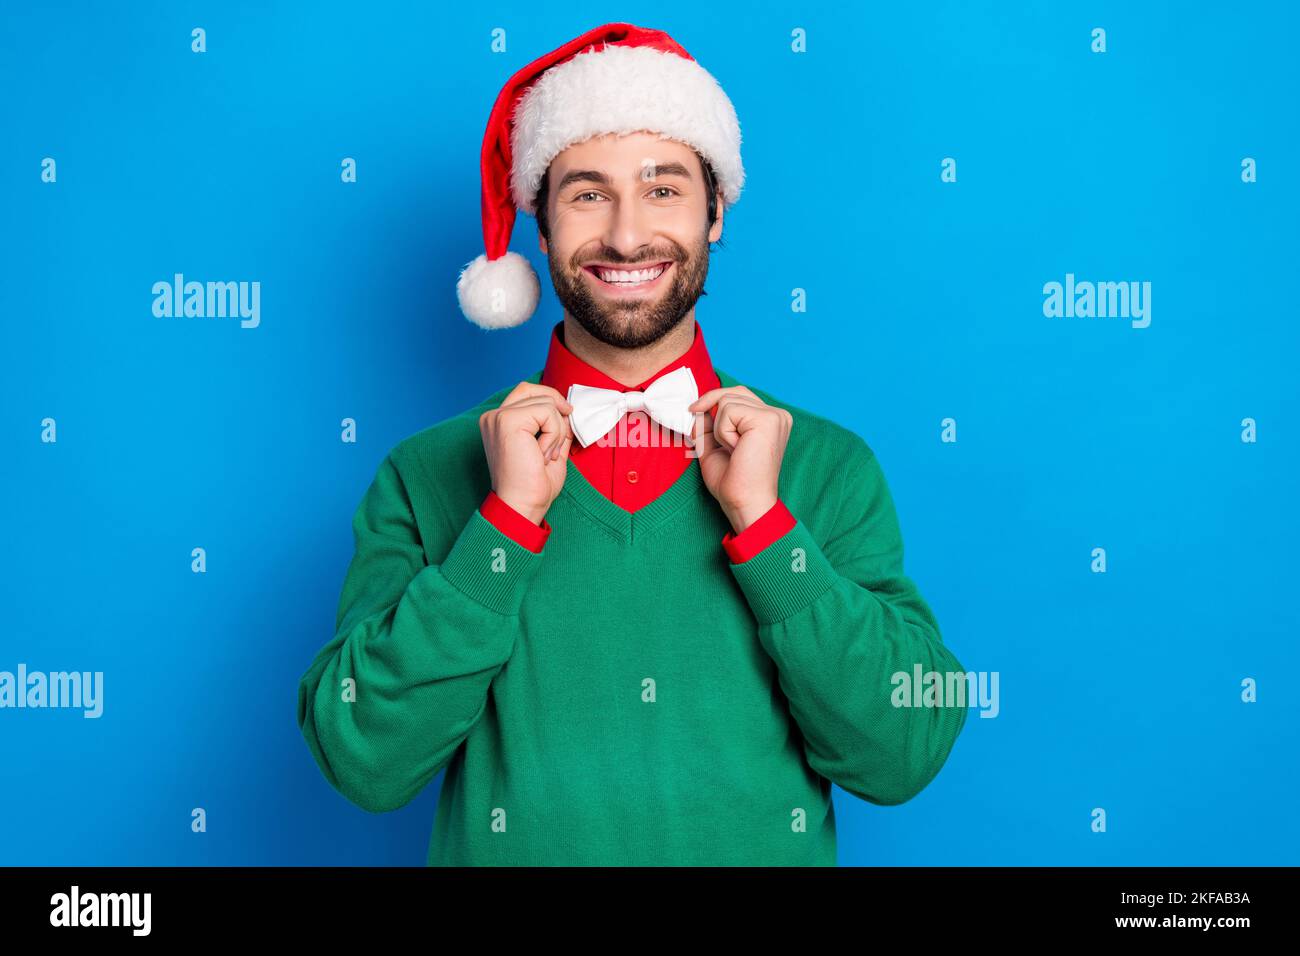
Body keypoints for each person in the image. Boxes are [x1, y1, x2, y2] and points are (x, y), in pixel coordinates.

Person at [297, 22, 967, 866]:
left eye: (662, 190)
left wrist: (765, 527)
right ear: (539, 228)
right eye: (586, 193)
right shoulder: (426, 474)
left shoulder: (829, 468)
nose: (623, 237)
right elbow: (361, 756)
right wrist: (500, 527)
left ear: (715, 213)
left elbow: (904, 750)